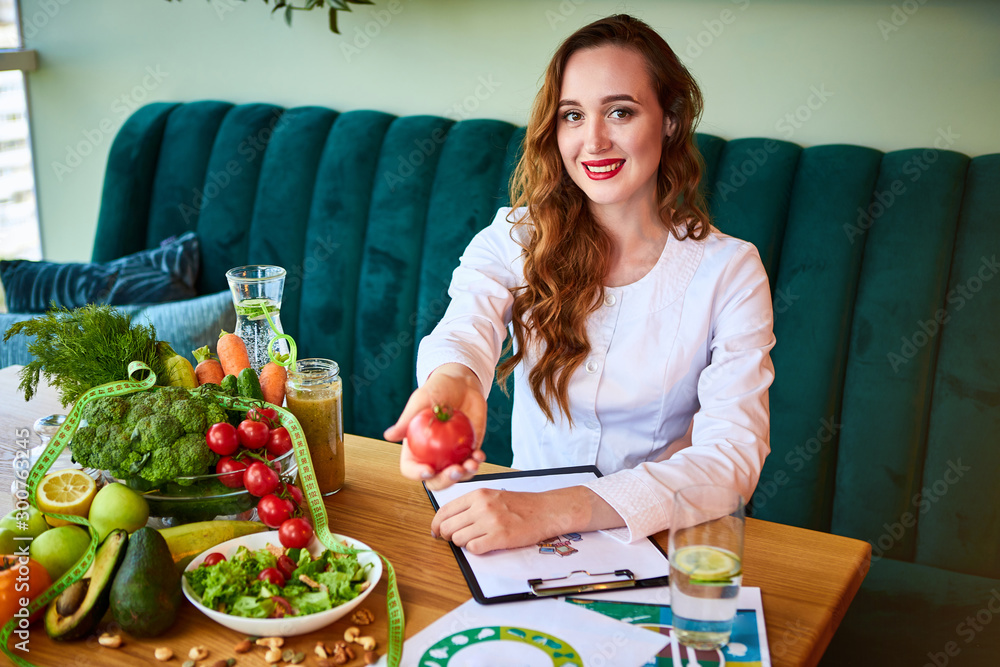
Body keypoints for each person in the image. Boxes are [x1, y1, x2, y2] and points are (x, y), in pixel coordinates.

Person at [383, 14, 775, 555]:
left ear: (670, 120)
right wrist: (453, 384)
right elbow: (465, 327)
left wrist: (552, 510)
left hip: (661, 542)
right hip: (514, 536)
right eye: (572, 115)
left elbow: (731, 458)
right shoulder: (513, 239)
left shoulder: (729, 271)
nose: (592, 141)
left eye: (620, 111)